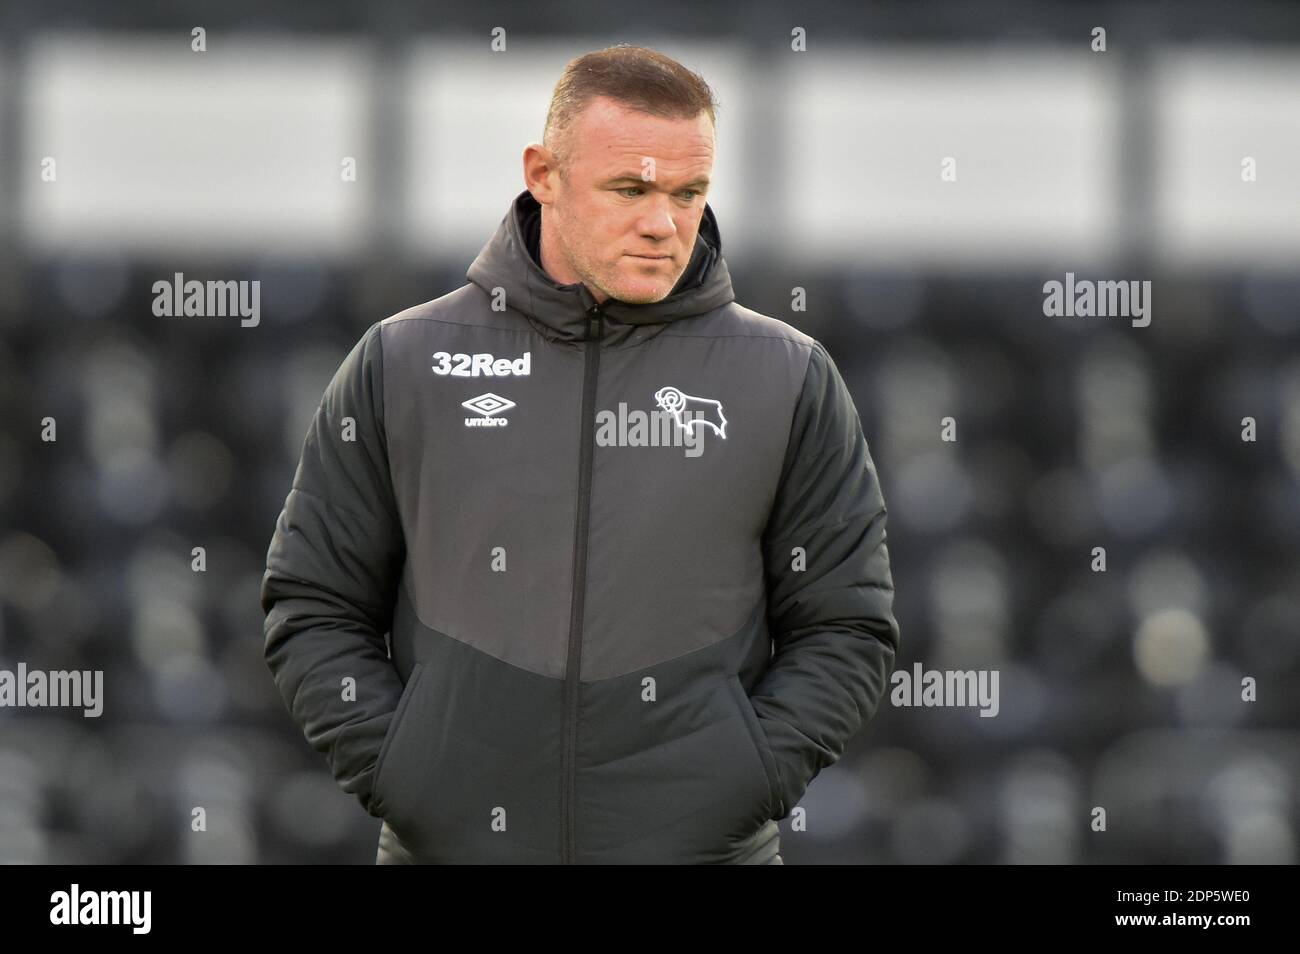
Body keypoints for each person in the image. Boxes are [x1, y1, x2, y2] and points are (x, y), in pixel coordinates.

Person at [261, 43, 900, 865]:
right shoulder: (403, 360)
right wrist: (408, 773)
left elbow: (847, 626)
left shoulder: (789, 377)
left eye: (689, 192)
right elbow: (313, 603)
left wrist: (742, 780)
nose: (662, 223)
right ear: (544, 174)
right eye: (630, 189)